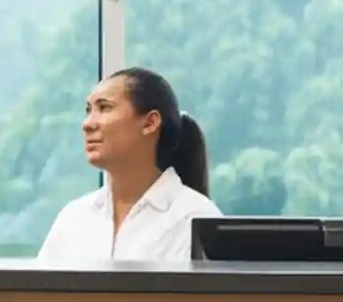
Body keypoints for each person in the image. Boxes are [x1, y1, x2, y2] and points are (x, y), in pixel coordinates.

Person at [38, 67, 222, 262]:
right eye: (88, 110)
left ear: (150, 123)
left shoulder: (195, 218)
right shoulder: (74, 218)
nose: (87, 124)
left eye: (104, 108)